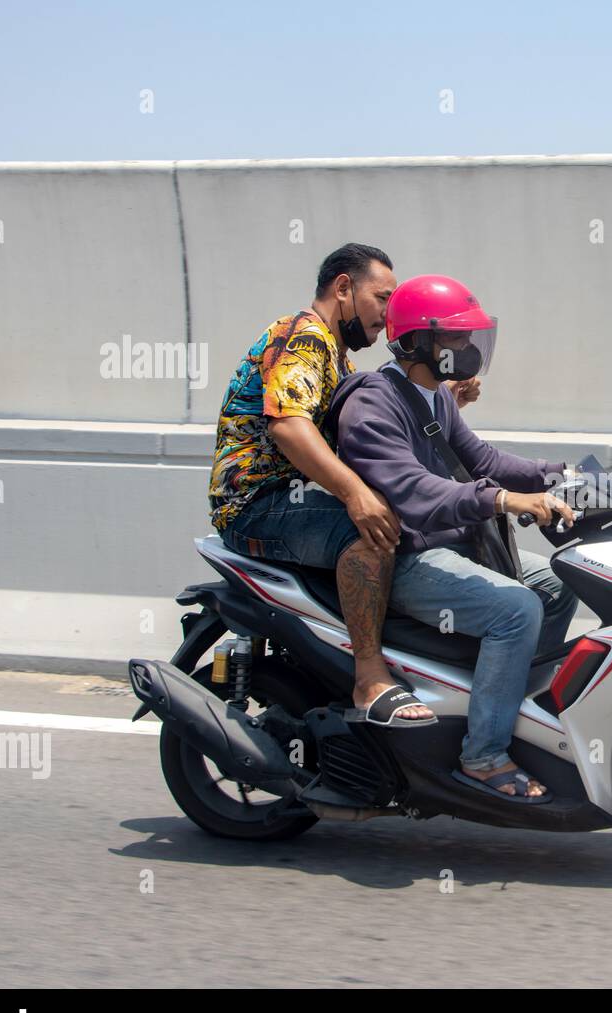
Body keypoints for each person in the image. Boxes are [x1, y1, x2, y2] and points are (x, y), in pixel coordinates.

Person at [328, 274, 579, 801]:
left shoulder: (434, 396)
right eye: (456, 339)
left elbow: (484, 461)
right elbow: (415, 493)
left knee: (559, 583)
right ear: (419, 343)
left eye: (471, 339)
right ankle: (483, 756)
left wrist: (565, 476)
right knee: (518, 609)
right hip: (411, 557)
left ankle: (509, 708)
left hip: (456, 544)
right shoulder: (373, 404)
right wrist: (504, 500)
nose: (467, 350)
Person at [208, 244, 479, 725]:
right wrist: (356, 495)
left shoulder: (337, 358)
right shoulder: (303, 337)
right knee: (370, 531)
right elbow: (288, 426)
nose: (387, 314)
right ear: (343, 288)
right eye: (381, 297)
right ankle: (370, 678)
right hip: (258, 501)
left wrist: (446, 402)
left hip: (298, 500)